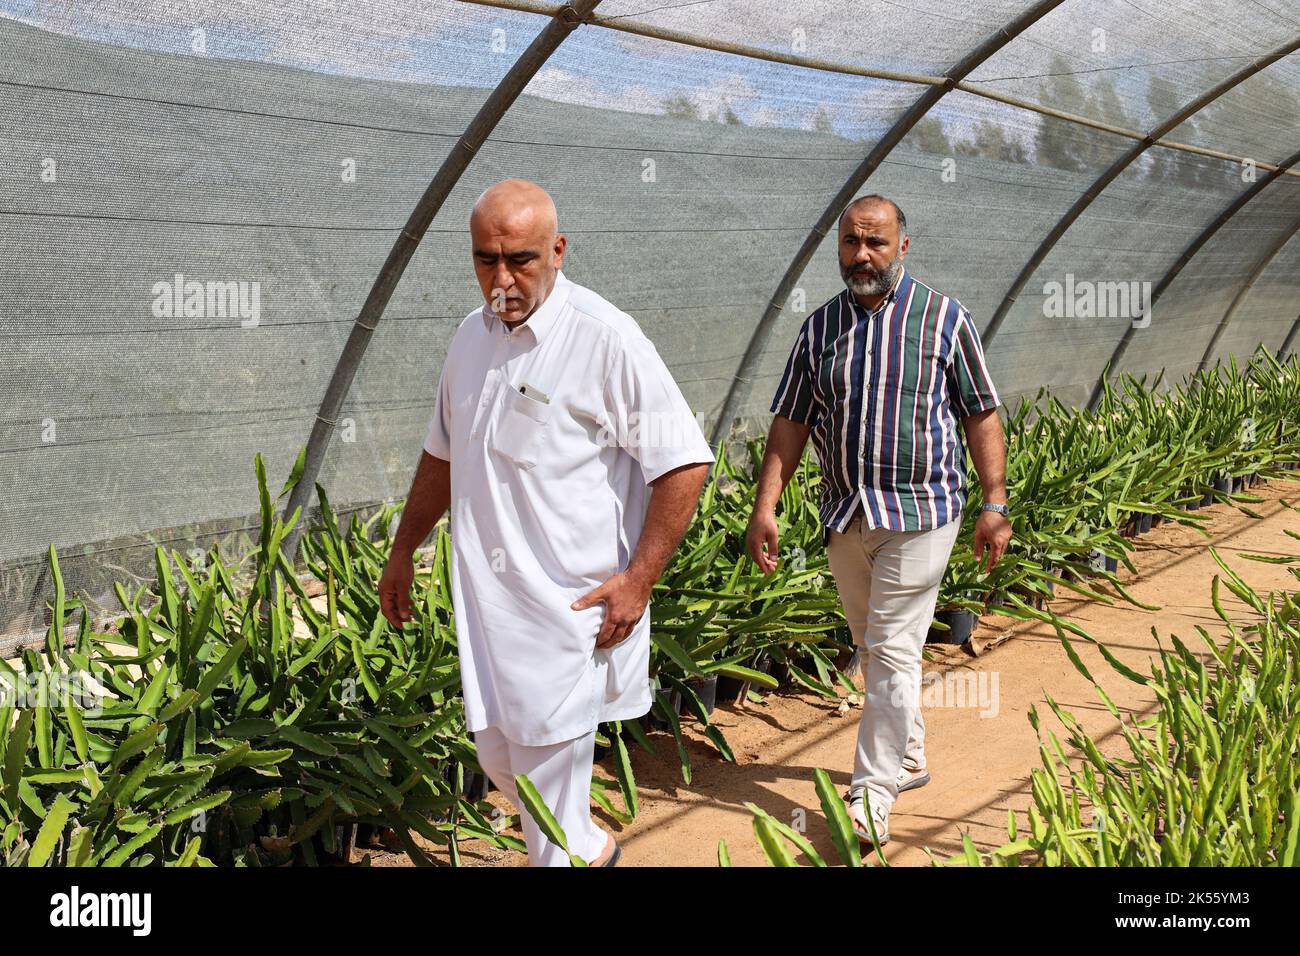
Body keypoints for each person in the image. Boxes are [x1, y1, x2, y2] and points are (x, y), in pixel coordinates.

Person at [378, 179, 713, 866]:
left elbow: (682, 462)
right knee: (500, 756)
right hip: (490, 611)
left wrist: (639, 580)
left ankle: (572, 853)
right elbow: (443, 453)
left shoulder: (605, 340)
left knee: (546, 815)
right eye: (485, 259)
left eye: (521, 259)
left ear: (558, 251)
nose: (502, 278)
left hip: (572, 609)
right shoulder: (469, 340)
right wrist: (403, 547)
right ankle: (592, 849)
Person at [744, 194, 1011, 848]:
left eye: (876, 243)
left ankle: (868, 801)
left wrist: (995, 501)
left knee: (891, 650)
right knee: (876, 647)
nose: (861, 255)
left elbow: (980, 412)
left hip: (924, 512)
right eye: (850, 242)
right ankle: (911, 756)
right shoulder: (820, 329)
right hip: (846, 512)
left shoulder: (946, 320)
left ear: (903, 247)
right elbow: (791, 422)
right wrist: (765, 505)